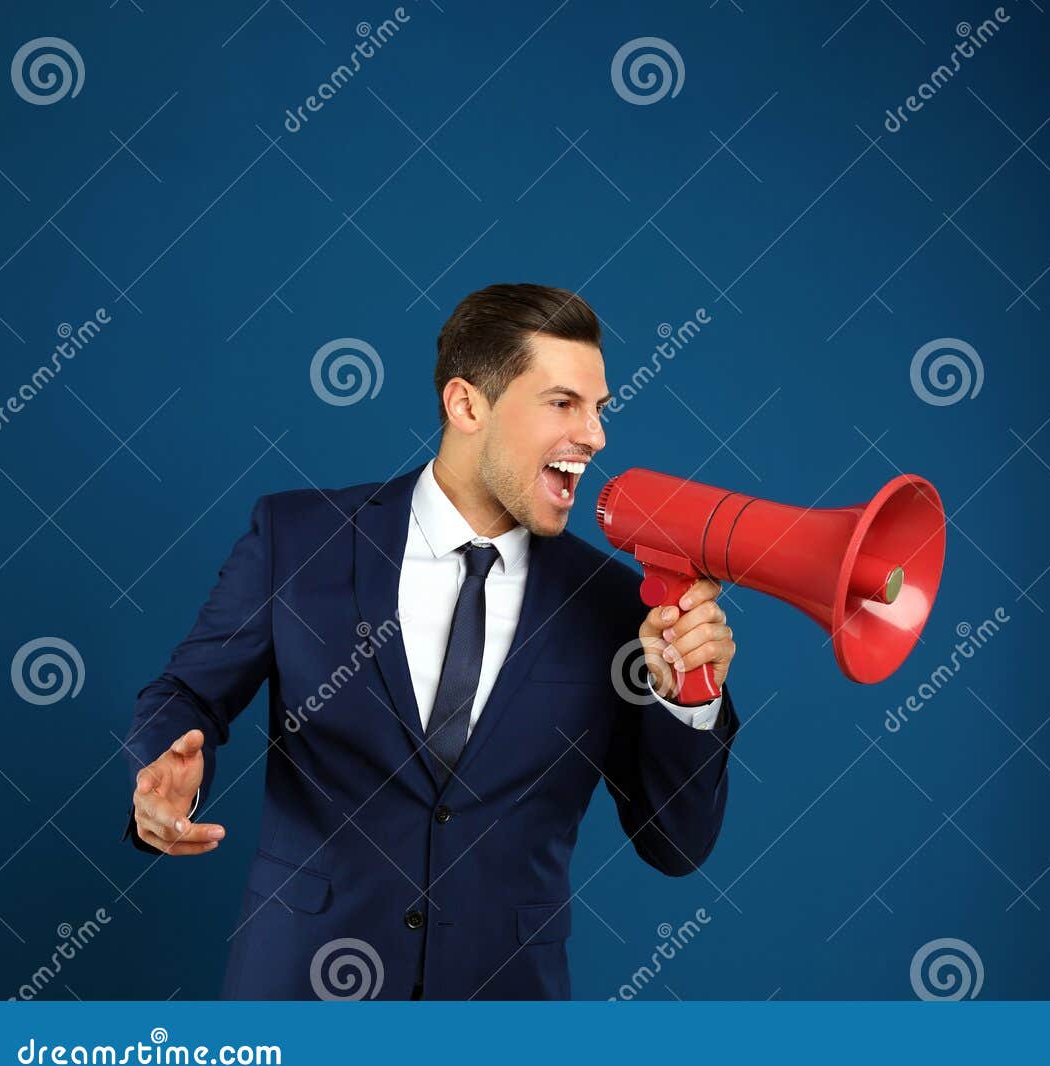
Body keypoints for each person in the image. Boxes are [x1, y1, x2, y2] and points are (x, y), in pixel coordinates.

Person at [121, 284, 740, 999]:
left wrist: (687, 700)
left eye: (598, 410)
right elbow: (187, 691)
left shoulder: (612, 604)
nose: (596, 436)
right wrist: (165, 764)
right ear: (466, 404)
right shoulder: (297, 540)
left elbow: (677, 844)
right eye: (563, 403)